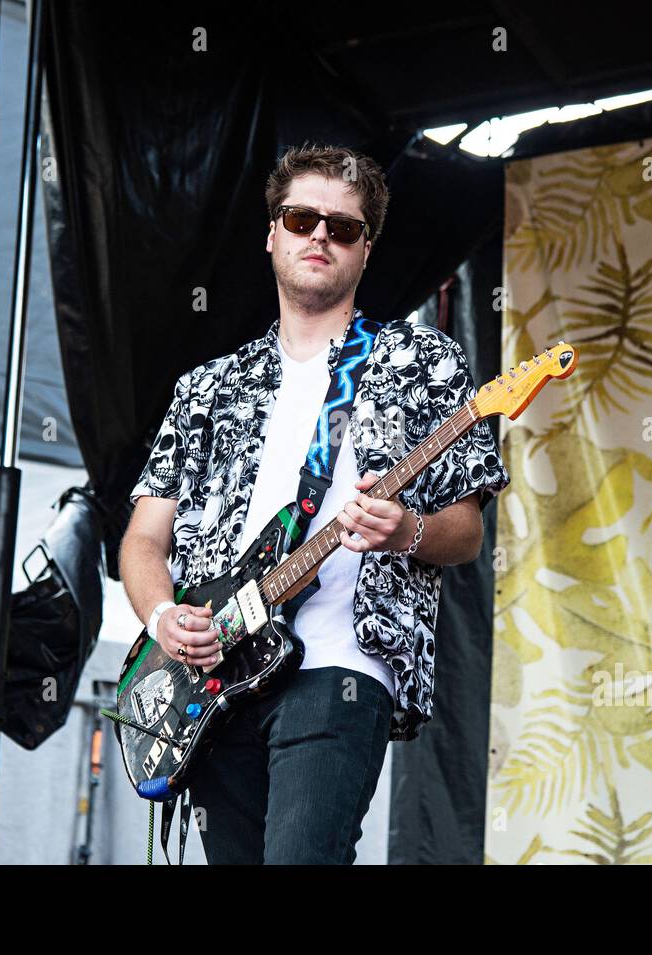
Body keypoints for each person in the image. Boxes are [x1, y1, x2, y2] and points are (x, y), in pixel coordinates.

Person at [120, 143, 508, 864]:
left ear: (366, 248)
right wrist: (163, 616)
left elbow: (466, 534)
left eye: (345, 226)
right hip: (215, 681)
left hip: (343, 665)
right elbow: (144, 539)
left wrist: (406, 529)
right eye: (302, 218)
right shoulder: (208, 387)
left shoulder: (422, 362)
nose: (321, 235)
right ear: (274, 233)